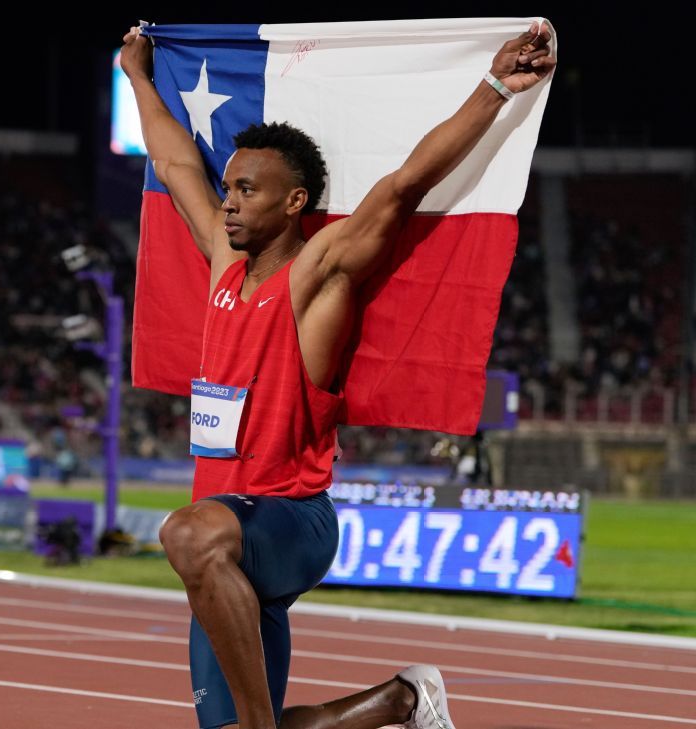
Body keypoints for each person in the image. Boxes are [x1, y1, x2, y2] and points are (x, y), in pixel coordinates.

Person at [120, 20, 555, 729]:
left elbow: (404, 185)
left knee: (186, 534)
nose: (228, 201)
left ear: (294, 202)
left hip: (289, 519)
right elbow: (172, 164)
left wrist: (495, 88)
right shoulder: (224, 268)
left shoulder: (314, 275)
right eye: (228, 187)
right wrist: (138, 76)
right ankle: (402, 698)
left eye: (247, 189)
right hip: (226, 539)